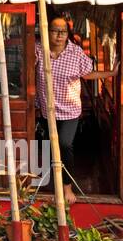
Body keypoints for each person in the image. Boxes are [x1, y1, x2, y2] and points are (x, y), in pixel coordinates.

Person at [35, 16, 111, 204]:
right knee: (48, 145)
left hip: (69, 110)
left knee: (64, 144)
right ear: (47, 31)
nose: (59, 36)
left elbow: (87, 73)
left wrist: (111, 73)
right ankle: (50, 183)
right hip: (46, 109)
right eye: (55, 31)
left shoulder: (75, 52)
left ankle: (67, 187)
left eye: (63, 32)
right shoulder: (38, 49)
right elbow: (28, 70)